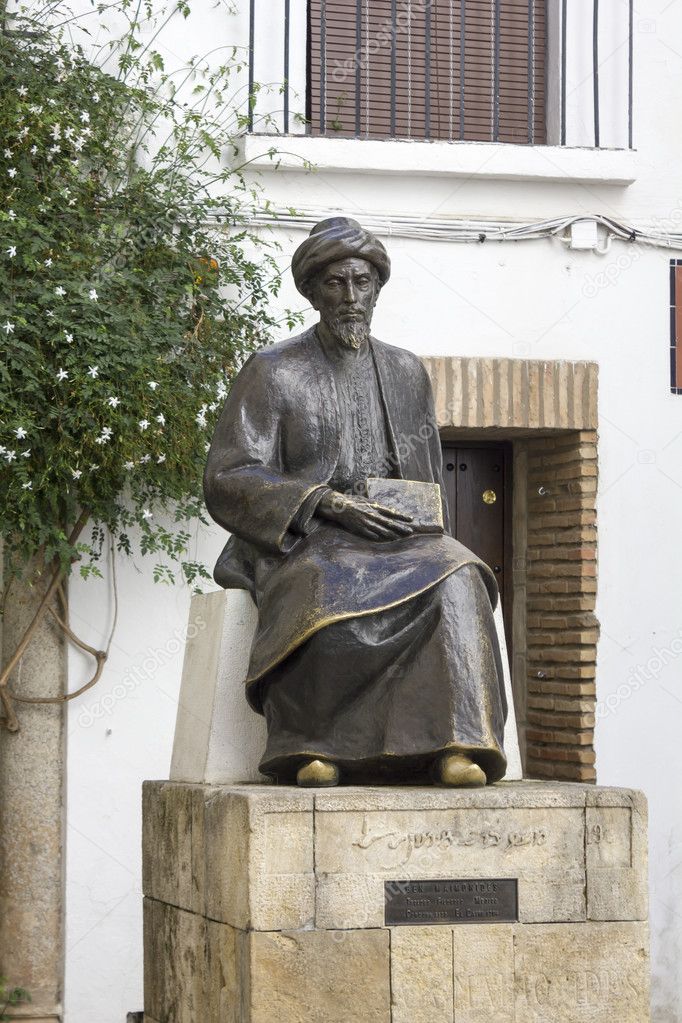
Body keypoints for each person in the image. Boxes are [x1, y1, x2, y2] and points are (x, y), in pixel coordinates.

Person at [204, 217, 507, 788]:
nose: (350, 298)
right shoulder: (272, 371)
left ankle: (456, 743)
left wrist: (414, 521)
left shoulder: (404, 370)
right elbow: (229, 474)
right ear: (312, 292)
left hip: (395, 537)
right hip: (306, 536)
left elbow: (424, 481)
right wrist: (328, 505)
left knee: (460, 573)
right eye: (336, 284)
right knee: (324, 583)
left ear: (377, 288)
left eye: (361, 283)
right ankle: (314, 747)